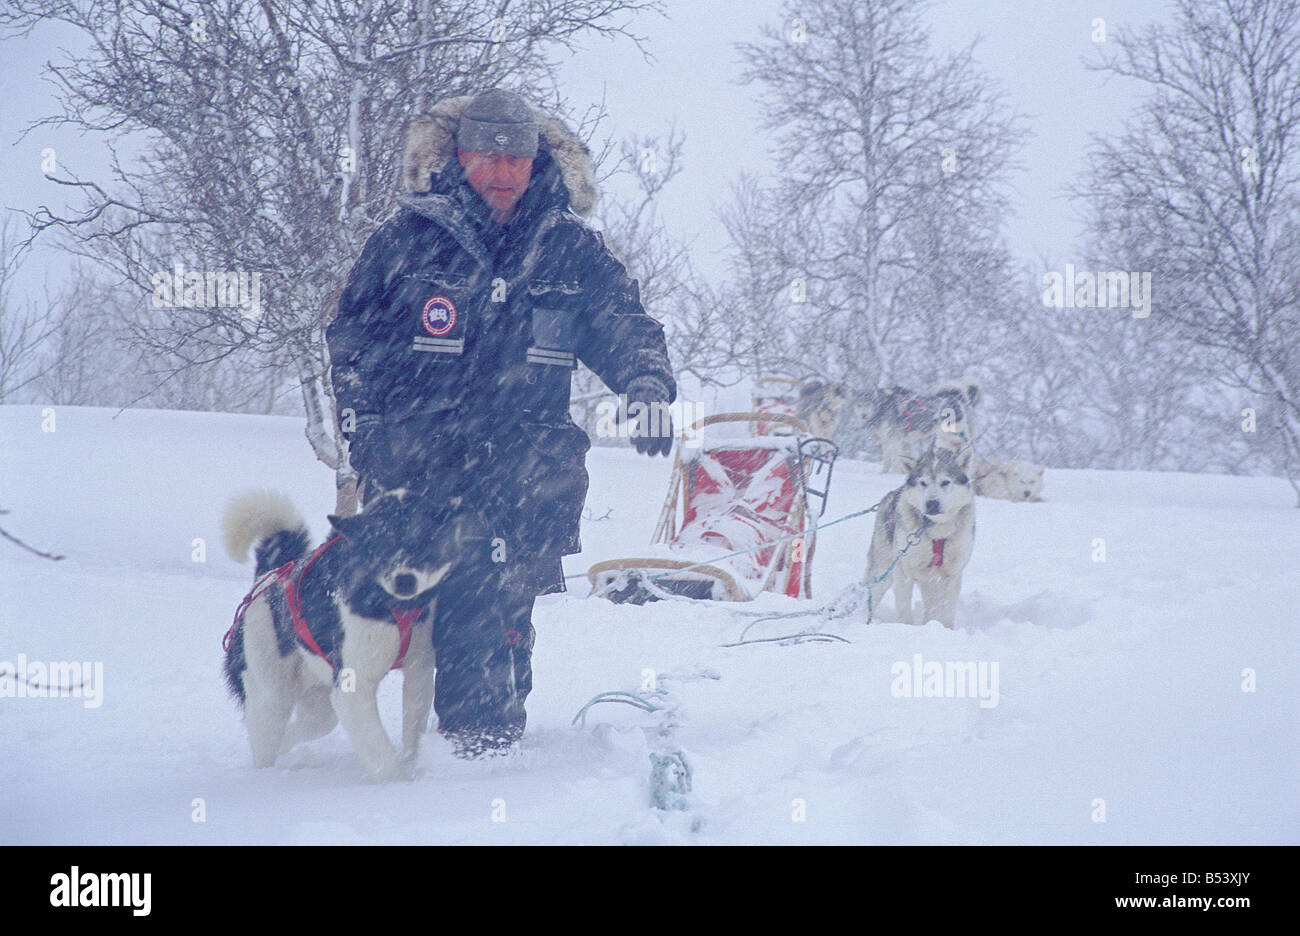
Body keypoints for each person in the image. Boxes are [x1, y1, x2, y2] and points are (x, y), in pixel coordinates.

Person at [326, 89, 676, 758]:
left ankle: (493, 748)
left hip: (526, 472)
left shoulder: (568, 247)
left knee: (508, 609)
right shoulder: (408, 238)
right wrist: (364, 431)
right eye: (487, 156)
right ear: (459, 157)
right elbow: (354, 342)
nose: (502, 173)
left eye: (516, 159)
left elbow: (621, 325)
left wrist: (647, 384)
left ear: (535, 161)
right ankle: (476, 753)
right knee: (458, 603)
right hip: (425, 470)